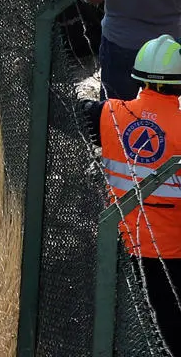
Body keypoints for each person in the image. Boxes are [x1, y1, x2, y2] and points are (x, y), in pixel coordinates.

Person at [94, 35, 181, 352]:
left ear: (138, 77)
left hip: (120, 245)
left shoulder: (110, 114)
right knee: (169, 330)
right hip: (171, 253)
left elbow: (78, 113)